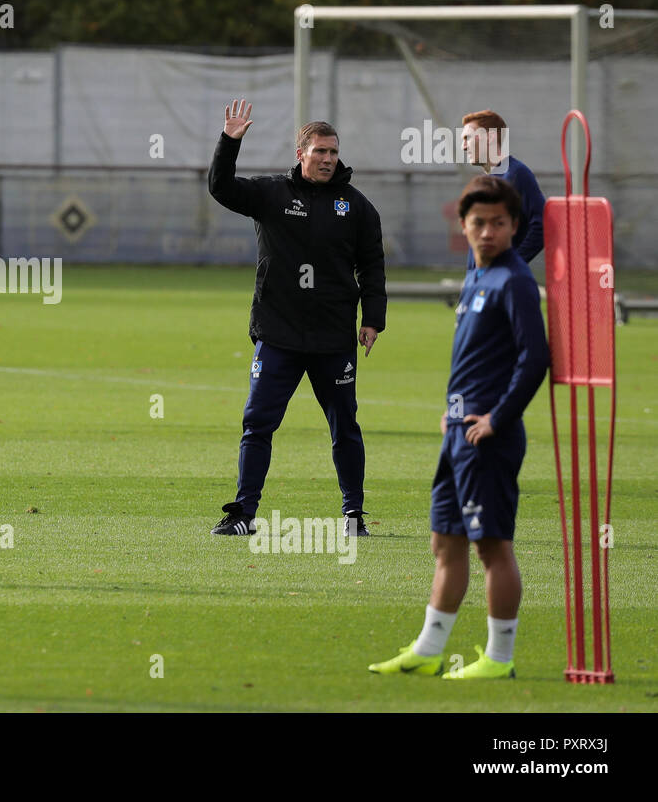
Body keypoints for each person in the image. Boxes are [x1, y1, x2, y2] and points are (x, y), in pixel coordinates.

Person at [369, 175, 549, 679]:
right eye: (478, 223)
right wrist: (453, 408)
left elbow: (535, 358)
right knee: (444, 542)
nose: (487, 232)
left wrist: (498, 417)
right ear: (463, 226)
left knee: (491, 545)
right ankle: (428, 651)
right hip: (458, 429)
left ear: (515, 226)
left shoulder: (514, 280)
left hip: (486, 434)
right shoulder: (476, 275)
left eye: (498, 223)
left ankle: (500, 658)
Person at [207, 99, 386, 537]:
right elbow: (221, 187)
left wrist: (373, 318)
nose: (328, 159)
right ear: (300, 154)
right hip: (278, 333)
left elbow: (372, 265)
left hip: (332, 338)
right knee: (257, 424)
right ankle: (243, 514)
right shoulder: (271, 194)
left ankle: (353, 516)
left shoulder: (356, 206)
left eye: (333, 152)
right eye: (320, 151)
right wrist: (230, 141)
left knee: (345, 426)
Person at [460, 109, 545, 267]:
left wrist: (511, 264)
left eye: (468, 138)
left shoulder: (517, 174)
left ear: (490, 137)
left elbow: (542, 224)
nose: (463, 147)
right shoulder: (485, 181)